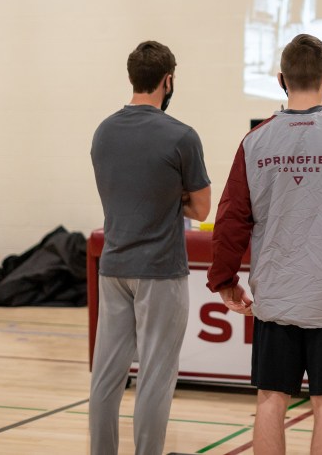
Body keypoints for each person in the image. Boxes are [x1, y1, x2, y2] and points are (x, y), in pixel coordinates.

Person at [207, 33, 322, 455]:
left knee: (271, 398)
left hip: (275, 297)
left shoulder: (255, 141)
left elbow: (231, 219)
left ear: (280, 80)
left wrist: (224, 279)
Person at [89, 41, 211, 455]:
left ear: (132, 77)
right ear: (168, 80)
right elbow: (201, 205)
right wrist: (169, 195)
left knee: (106, 377)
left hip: (113, 265)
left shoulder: (104, 130)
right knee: (156, 378)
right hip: (160, 269)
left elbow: (115, 190)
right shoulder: (181, 136)